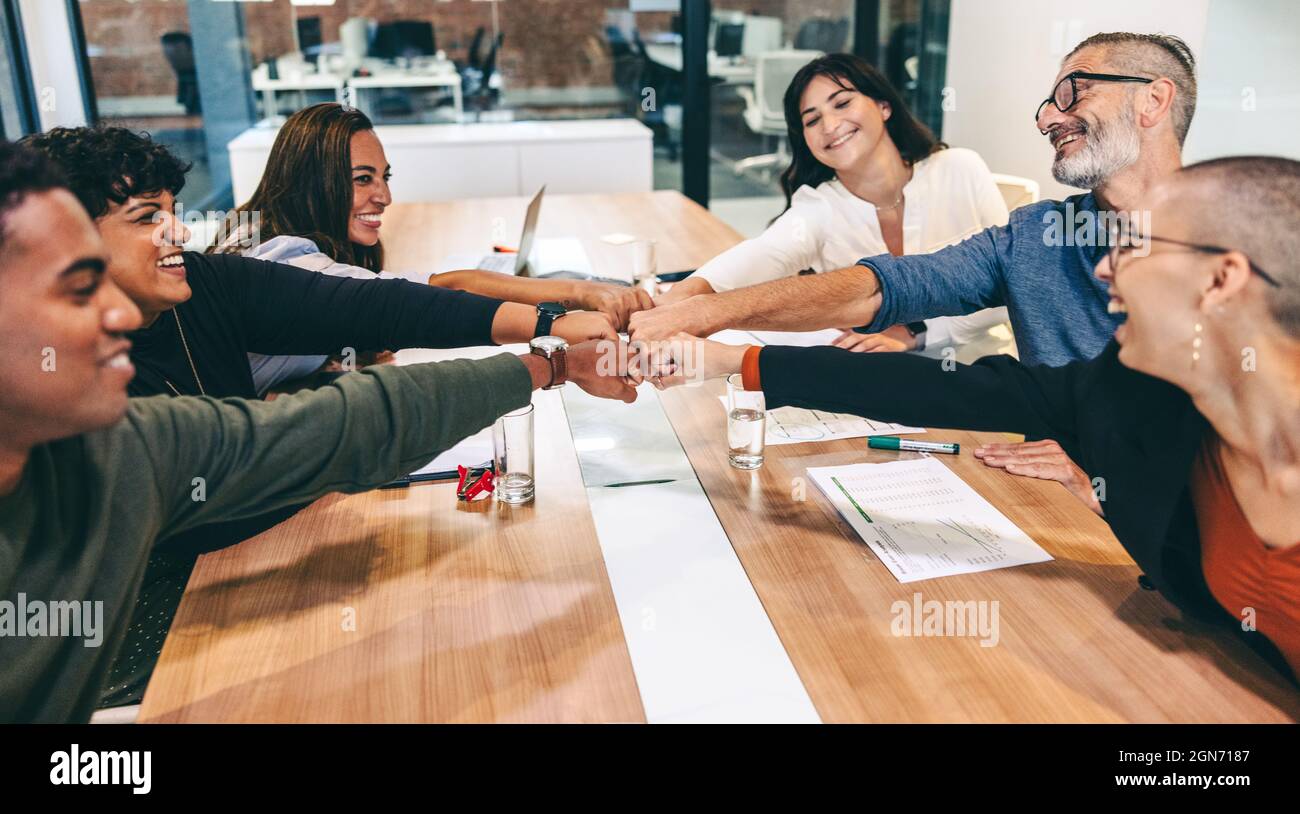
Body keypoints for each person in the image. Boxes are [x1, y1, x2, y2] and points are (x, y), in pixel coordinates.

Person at [0, 140, 638, 722]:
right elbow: (312, 441)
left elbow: (357, 394)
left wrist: (551, 354)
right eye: (78, 288)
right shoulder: (107, 441)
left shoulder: (131, 429)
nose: (115, 312)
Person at [648, 156, 1300, 681]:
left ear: (1220, 280)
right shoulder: (1131, 393)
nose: (1105, 268)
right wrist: (730, 360)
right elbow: (944, 391)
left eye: (1135, 248)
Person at [630, 32, 1198, 504]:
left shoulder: (1233, 250)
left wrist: (1108, 486)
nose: (1048, 117)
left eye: (1072, 92)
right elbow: (888, 289)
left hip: (1158, 531)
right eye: (1048, 103)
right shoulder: (1034, 235)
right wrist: (702, 311)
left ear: (1152, 100)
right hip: (1042, 488)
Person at [209, 102, 653, 394]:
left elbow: (447, 283)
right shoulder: (287, 259)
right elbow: (430, 297)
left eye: (384, 177)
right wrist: (559, 320)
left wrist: (581, 292)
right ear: (312, 183)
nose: (384, 197)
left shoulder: (263, 233)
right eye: (363, 179)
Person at [658, 54, 1011, 358]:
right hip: (879, 378)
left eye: (842, 104)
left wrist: (916, 334)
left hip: (979, 368)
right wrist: (682, 297)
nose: (829, 125)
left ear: (884, 106)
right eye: (812, 120)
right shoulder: (820, 206)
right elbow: (763, 254)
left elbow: (1012, 281)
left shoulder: (960, 169)